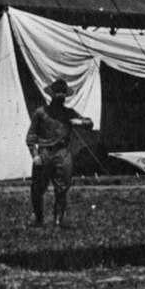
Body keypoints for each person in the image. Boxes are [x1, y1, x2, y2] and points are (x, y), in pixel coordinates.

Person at [26, 78, 93, 227]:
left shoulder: (69, 113)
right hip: (44, 153)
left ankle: (58, 221)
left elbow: (90, 123)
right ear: (52, 95)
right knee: (37, 189)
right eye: (58, 93)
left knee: (62, 189)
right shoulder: (41, 113)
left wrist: (79, 122)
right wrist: (35, 154)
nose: (60, 96)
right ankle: (38, 219)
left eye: (63, 94)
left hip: (62, 154)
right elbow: (31, 137)